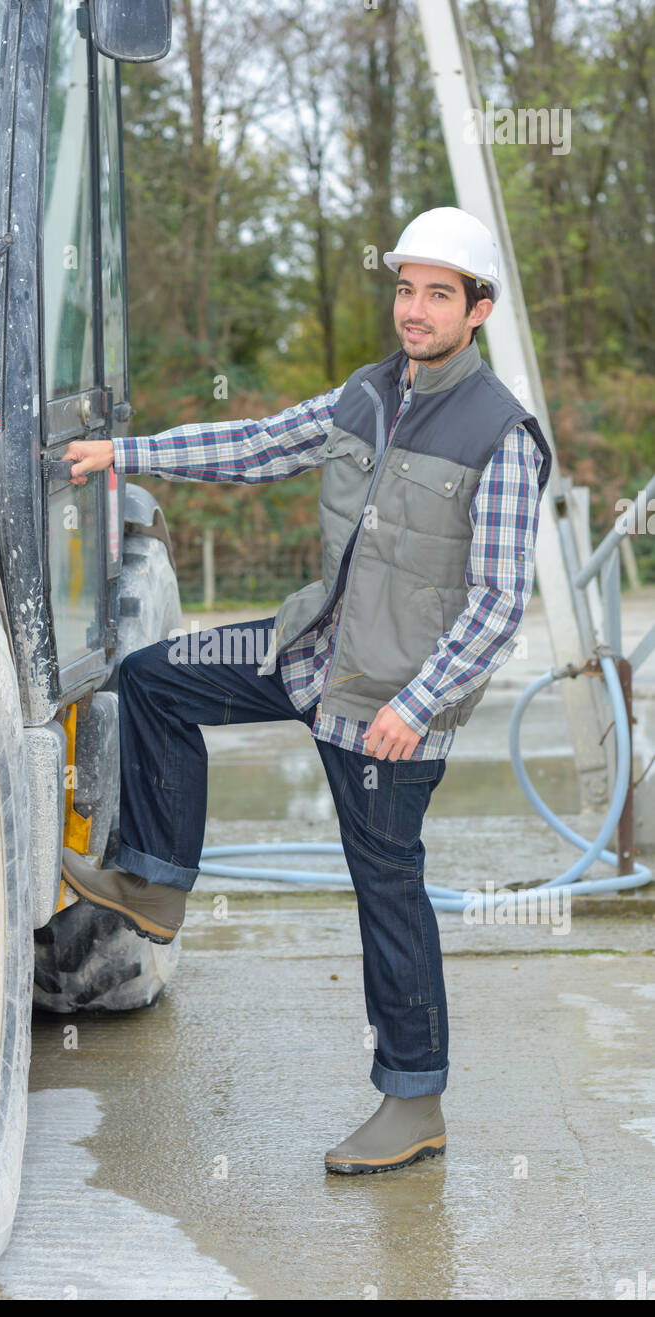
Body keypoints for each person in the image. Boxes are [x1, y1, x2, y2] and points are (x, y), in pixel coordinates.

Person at [59, 206, 552, 1175]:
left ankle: (413, 1105)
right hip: (309, 656)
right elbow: (251, 447)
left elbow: (499, 602)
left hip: (389, 708)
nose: (414, 308)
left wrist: (420, 704)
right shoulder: (364, 395)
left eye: (437, 294)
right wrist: (128, 452)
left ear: (478, 309)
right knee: (157, 677)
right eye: (405, 288)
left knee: (387, 896)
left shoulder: (503, 436)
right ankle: (157, 882)